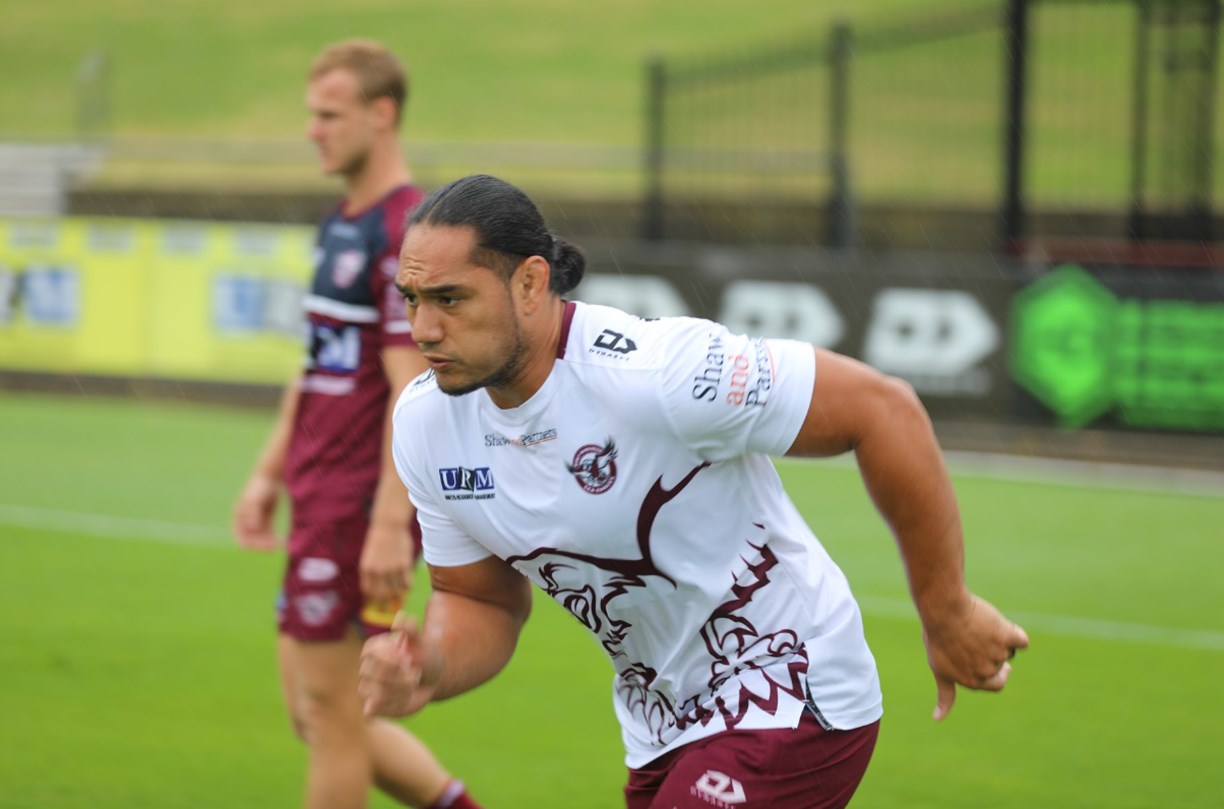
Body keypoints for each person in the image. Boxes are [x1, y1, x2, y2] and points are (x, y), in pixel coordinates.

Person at [359, 174, 1030, 809]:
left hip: (792, 693)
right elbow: (480, 598)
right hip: (662, 726)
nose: (422, 329)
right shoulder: (425, 425)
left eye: (450, 298)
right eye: (411, 300)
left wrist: (947, 608)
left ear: (530, 282)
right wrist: (430, 664)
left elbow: (883, 410)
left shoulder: (660, 373)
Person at [232, 41, 481, 809]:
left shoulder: (407, 232)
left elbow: (413, 391)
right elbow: (316, 368)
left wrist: (386, 522)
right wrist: (270, 471)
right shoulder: (340, 223)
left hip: (355, 506)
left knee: (335, 721)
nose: (313, 129)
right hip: (319, 495)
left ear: (382, 114)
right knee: (318, 714)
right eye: (312, 113)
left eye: (329, 114)